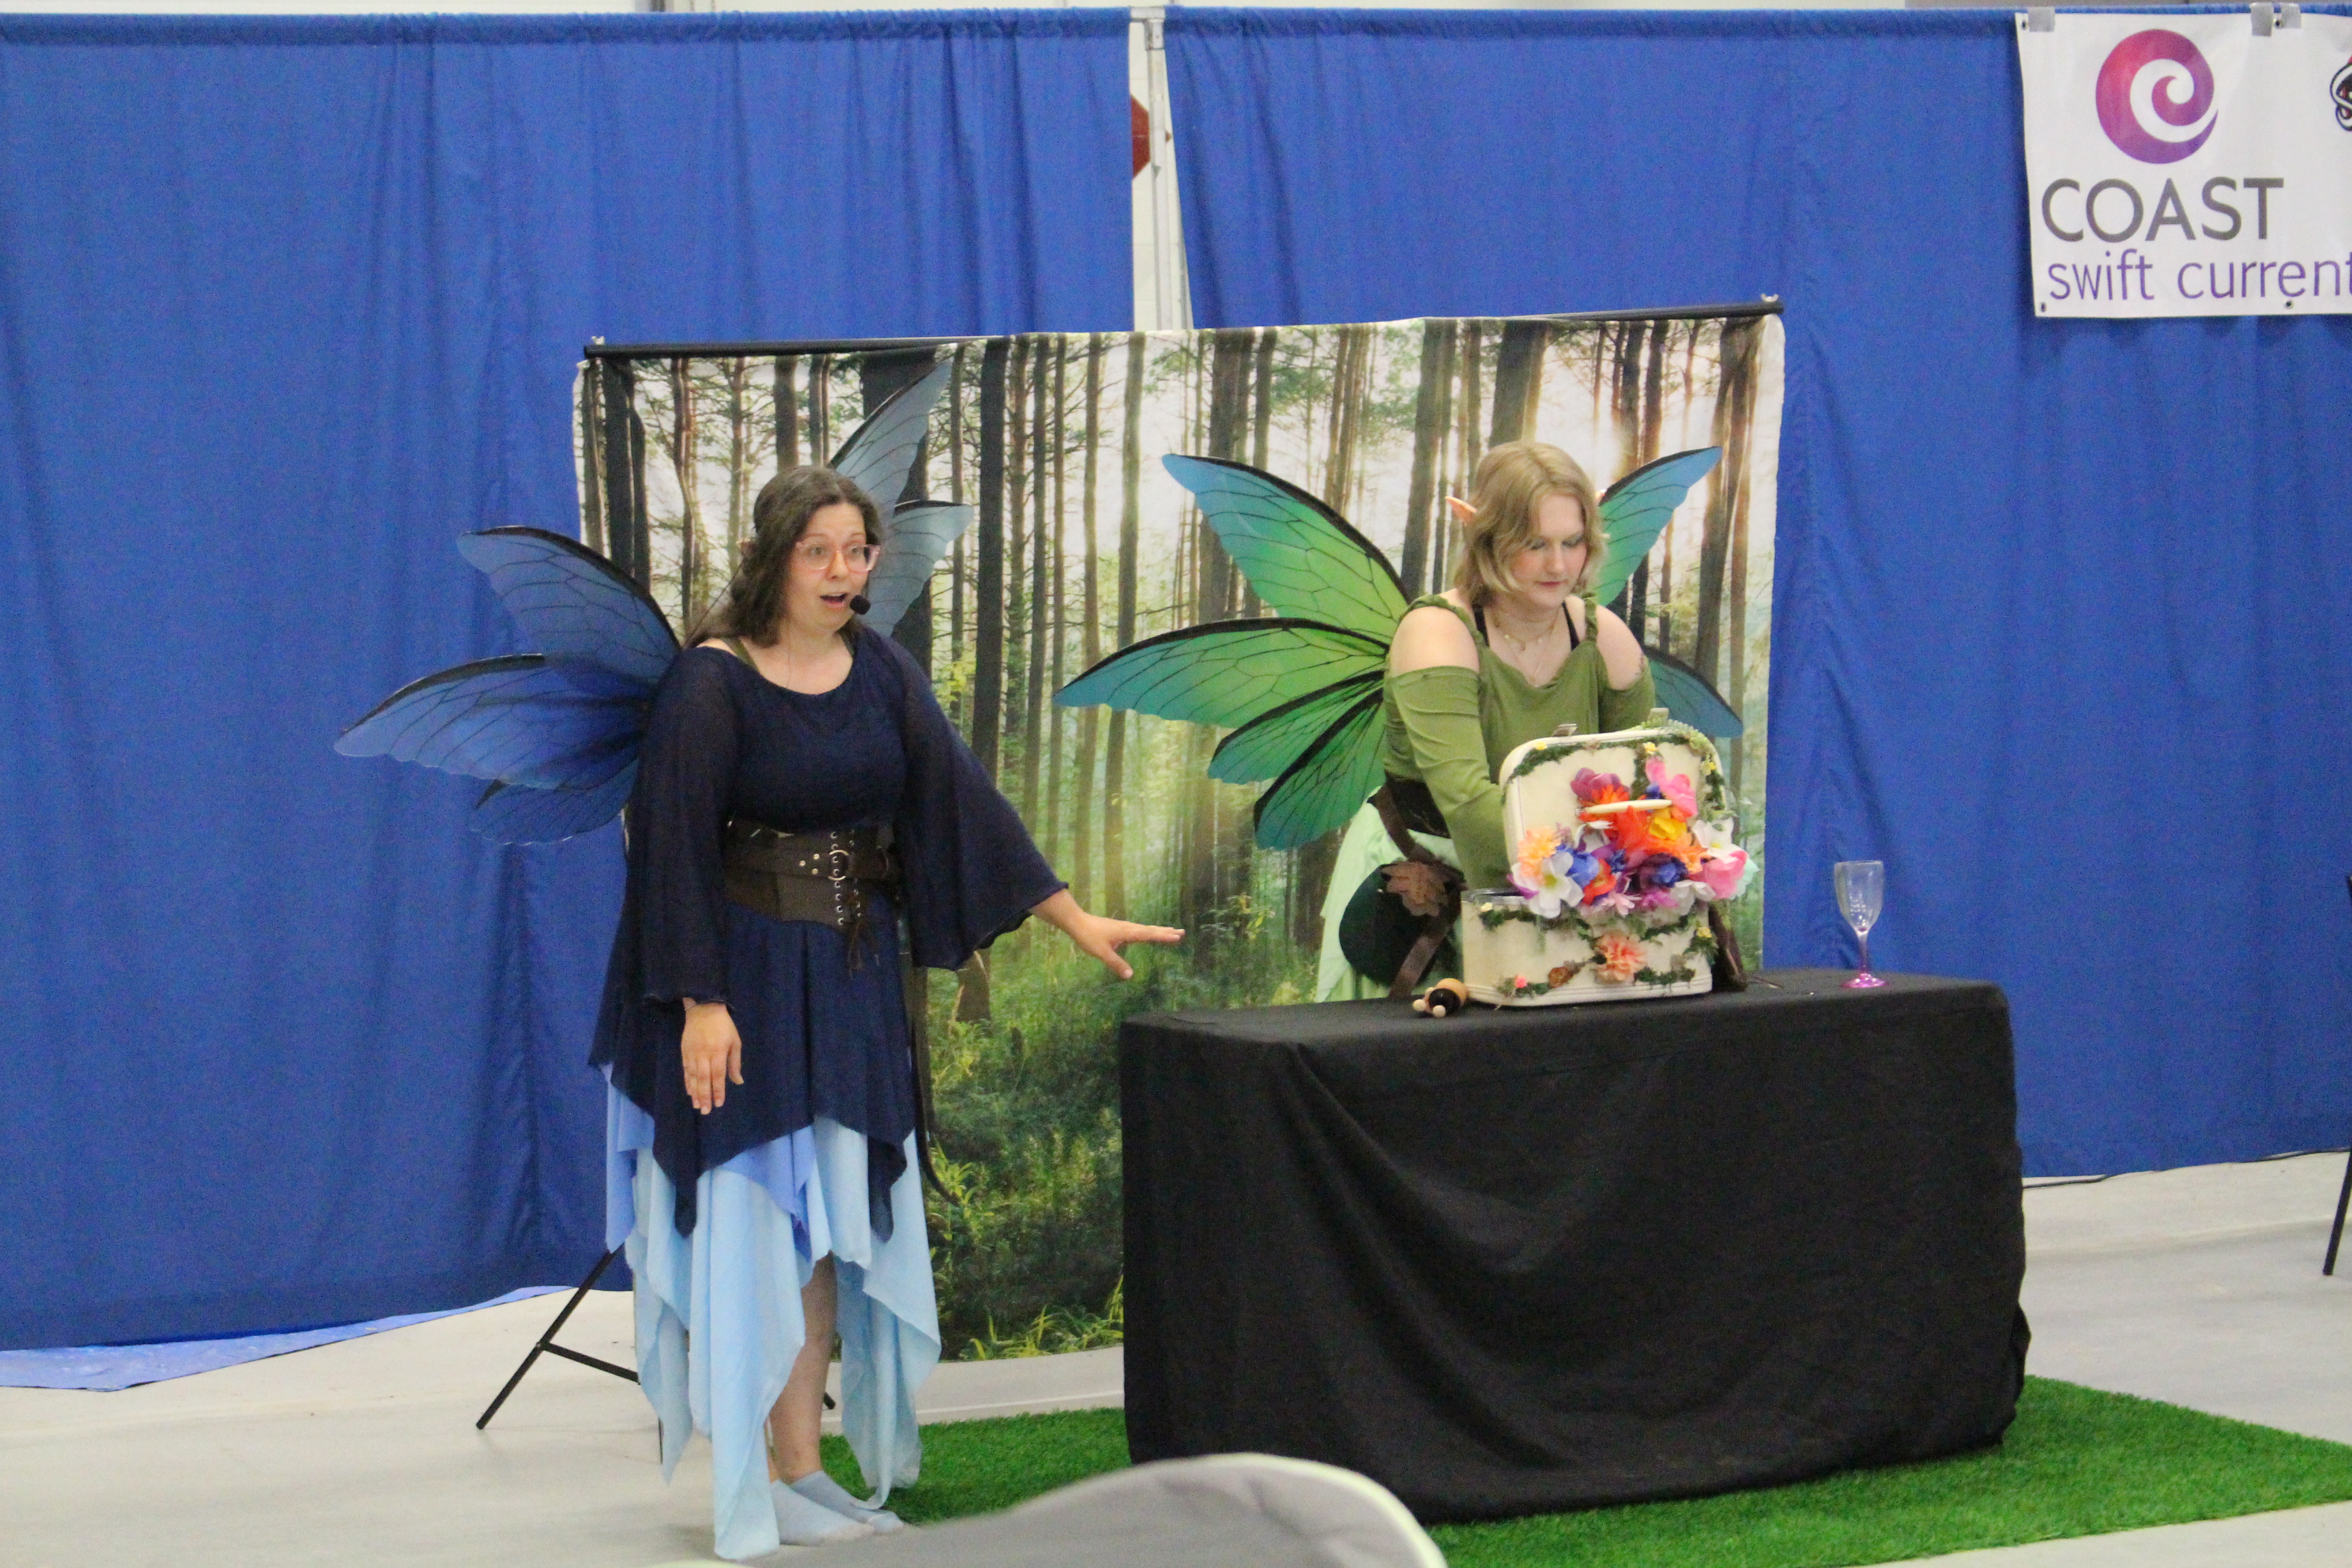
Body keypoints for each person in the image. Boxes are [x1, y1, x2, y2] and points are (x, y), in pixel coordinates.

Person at [591, 466, 1181, 1559]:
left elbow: (959, 799)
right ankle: (756, 1481)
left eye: (858, 549)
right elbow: (670, 846)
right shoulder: (710, 685)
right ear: (774, 557)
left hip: (856, 980)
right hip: (748, 985)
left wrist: (1068, 916)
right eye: (819, 550)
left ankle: (801, 1466)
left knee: (823, 1231)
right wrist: (700, 1006)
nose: (843, 571)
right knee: (756, 1223)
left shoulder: (880, 669)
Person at [1316, 441, 1656, 1000]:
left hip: (1563, 884)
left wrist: (1629, 892)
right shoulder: (1436, 633)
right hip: (1428, 884)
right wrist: (1572, 899)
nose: (1558, 565)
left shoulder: (1605, 637)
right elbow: (1470, 804)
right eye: (1533, 543)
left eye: (1572, 542)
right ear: (1484, 536)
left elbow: (1637, 787)